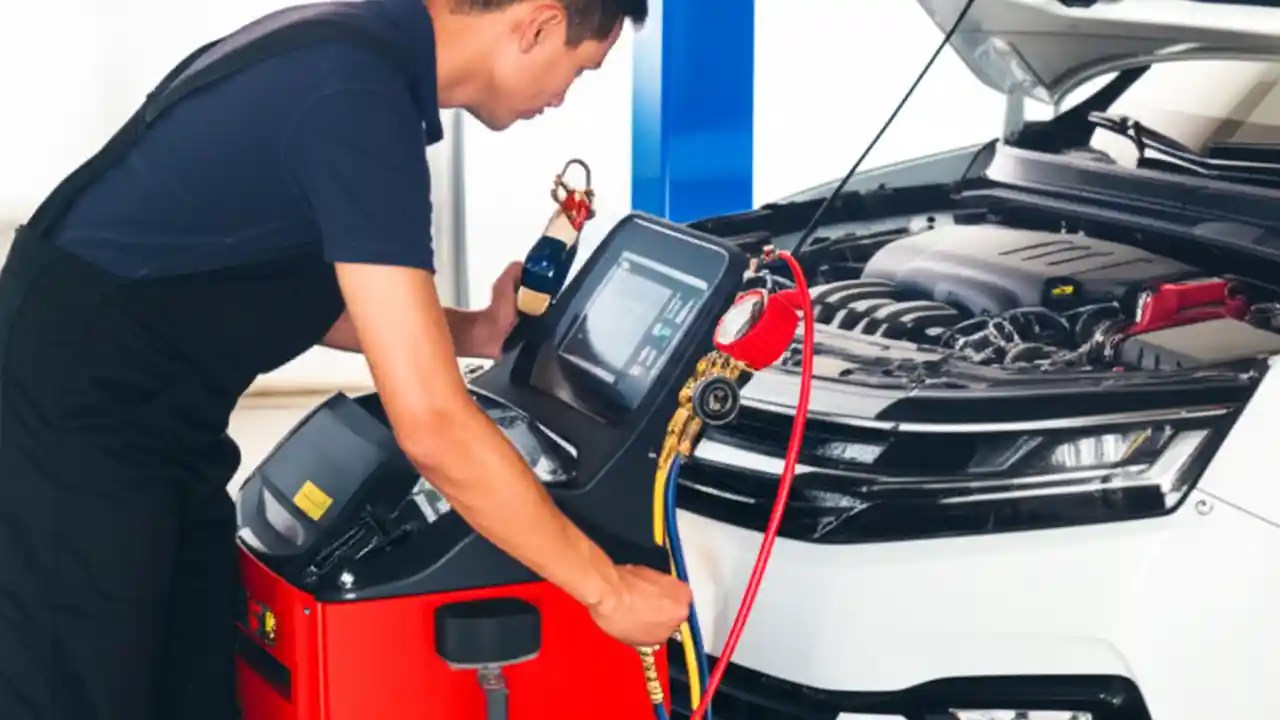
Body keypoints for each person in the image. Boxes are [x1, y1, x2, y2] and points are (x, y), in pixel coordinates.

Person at [0, 1, 691, 718]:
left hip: (155, 420)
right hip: (72, 425)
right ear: (539, 24)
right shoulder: (357, 104)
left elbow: (262, 282)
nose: (561, 98)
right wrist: (607, 590)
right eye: (578, 71)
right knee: (79, 691)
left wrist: (473, 330)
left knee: (196, 683)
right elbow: (431, 428)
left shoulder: (346, 52)